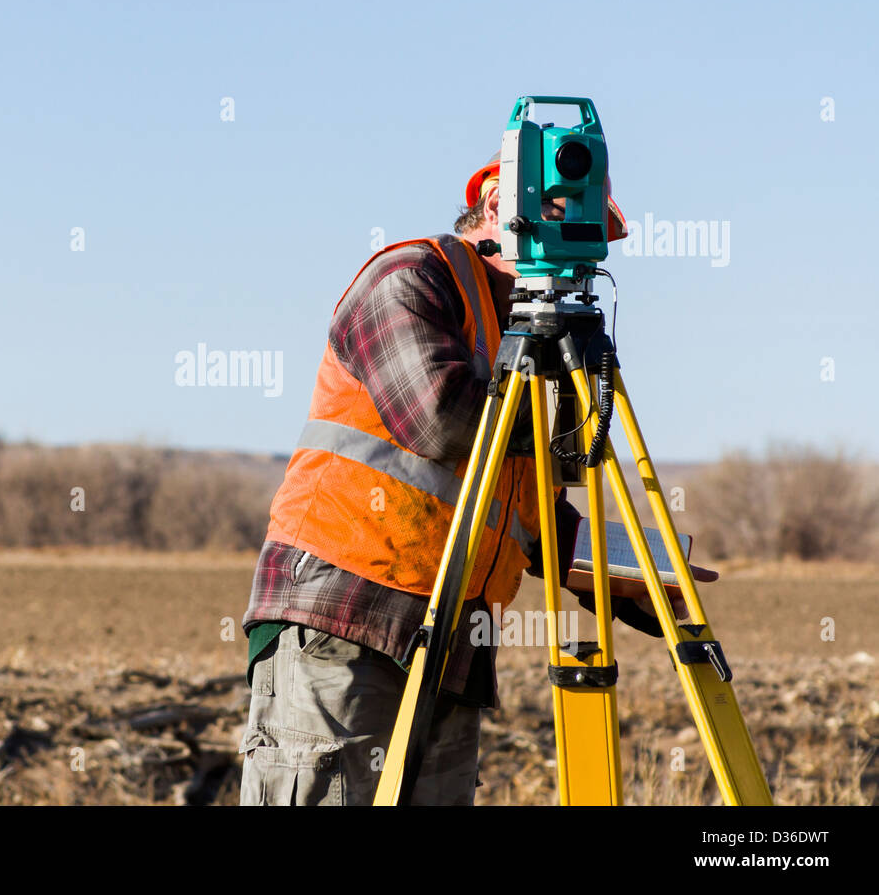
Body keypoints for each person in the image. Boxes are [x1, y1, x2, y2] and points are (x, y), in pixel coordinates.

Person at [237, 151, 666, 806]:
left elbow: (525, 500)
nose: (578, 254)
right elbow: (442, 423)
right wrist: (551, 395)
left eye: (590, 238)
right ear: (498, 207)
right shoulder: (410, 277)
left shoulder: (523, 333)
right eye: (560, 221)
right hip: (347, 621)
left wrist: (620, 576)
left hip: (455, 642)